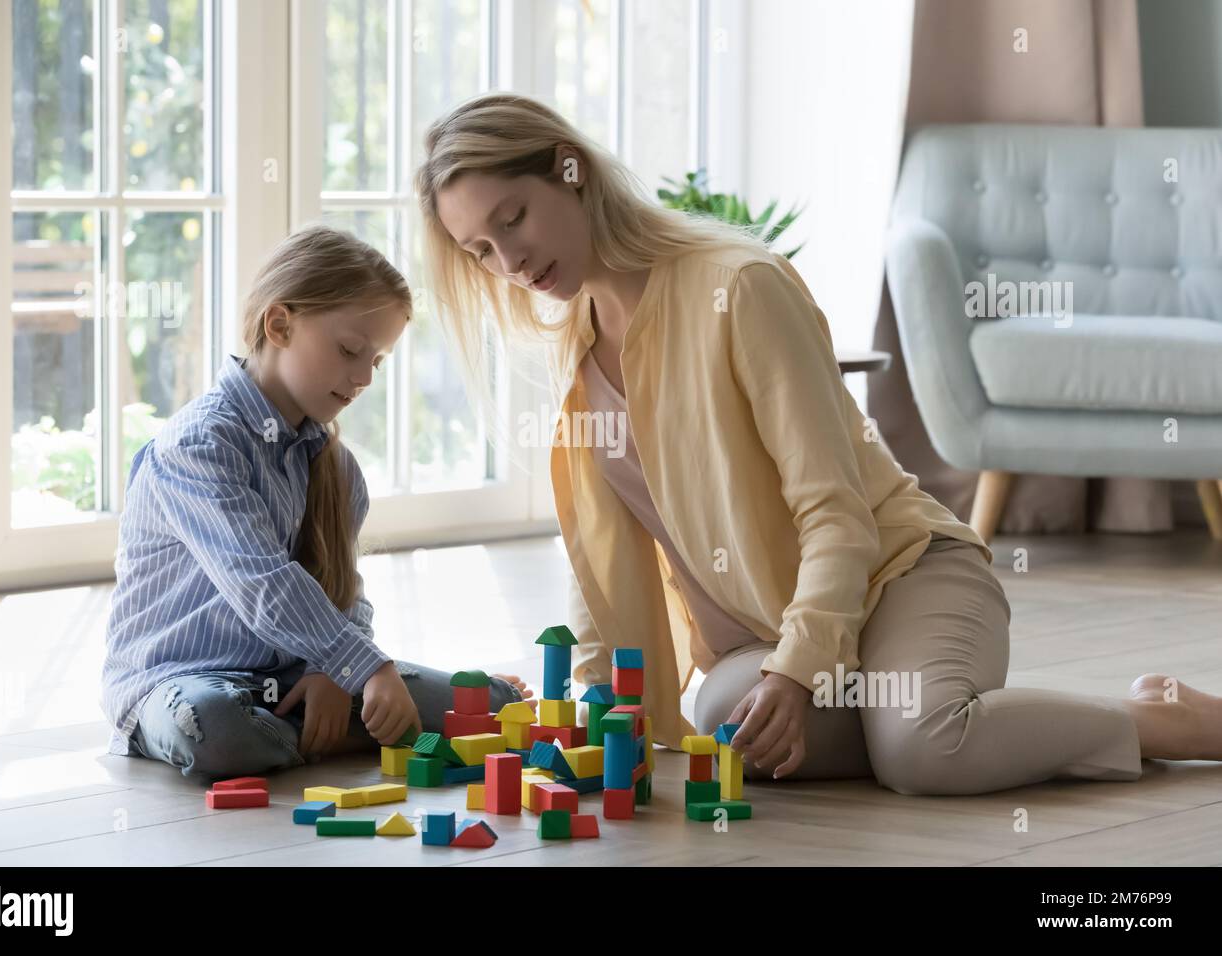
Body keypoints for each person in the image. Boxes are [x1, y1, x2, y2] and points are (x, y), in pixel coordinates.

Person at [412, 91, 1222, 795]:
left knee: (926, 753)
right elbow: (602, 553)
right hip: (768, 634)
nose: (510, 261)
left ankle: (1156, 722)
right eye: (481, 250)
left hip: (902, 574)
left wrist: (798, 672)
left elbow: (835, 510)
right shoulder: (578, 348)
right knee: (728, 722)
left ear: (569, 169)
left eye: (511, 219)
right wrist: (593, 705)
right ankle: (924, 715)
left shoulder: (740, 286)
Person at [101, 224, 532, 779]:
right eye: (350, 351)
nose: (363, 379)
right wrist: (360, 666)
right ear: (279, 324)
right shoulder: (199, 445)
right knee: (213, 729)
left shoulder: (337, 467)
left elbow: (343, 592)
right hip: (180, 680)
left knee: (492, 710)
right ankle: (325, 733)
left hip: (291, 675)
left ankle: (308, 730)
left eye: (375, 362)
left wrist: (332, 671)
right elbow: (263, 583)